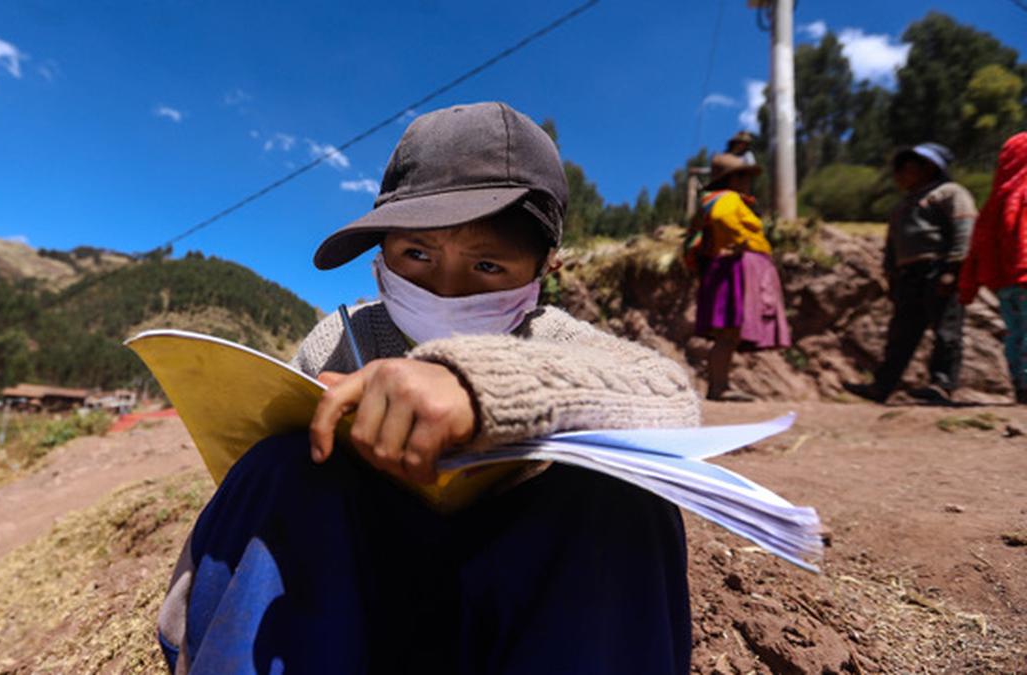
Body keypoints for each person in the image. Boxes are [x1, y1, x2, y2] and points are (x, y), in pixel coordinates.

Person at [157, 102, 701, 674]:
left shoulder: (556, 339)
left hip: (522, 617)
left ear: (545, 268)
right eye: (417, 254)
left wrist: (479, 387)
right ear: (381, 255)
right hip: (357, 605)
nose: (445, 289)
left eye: (487, 266)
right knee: (280, 467)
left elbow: (670, 398)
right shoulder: (340, 340)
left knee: (622, 496)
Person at [845, 143, 977, 404]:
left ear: (929, 168)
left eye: (905, 169)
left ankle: (941, 384)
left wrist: (953, 268)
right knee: (901, 333)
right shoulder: (902, 206)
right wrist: (891, 274)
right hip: (908, 276)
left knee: (946, 331)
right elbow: (892, 245)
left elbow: (965, 230)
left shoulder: (950, 193)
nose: (899, 176)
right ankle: (882, 386)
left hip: (939, 270)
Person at [688, 153, 790, 401]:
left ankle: (720, 385)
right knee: (727, 331)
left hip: (729, 267)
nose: (748, 181)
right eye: (743, 175)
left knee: (729, 333)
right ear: (730, 179)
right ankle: (718, 387)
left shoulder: (722, 199)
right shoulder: (727, 198)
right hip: (731, 269)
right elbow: (723, 218)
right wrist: (741, 240)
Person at [958, 133, 1027, 403]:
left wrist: (967, 287)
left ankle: (1021, 386)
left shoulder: (996, 200)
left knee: (1016, 333)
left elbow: (977, 245)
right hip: (1024, 277)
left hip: (1004, 284)